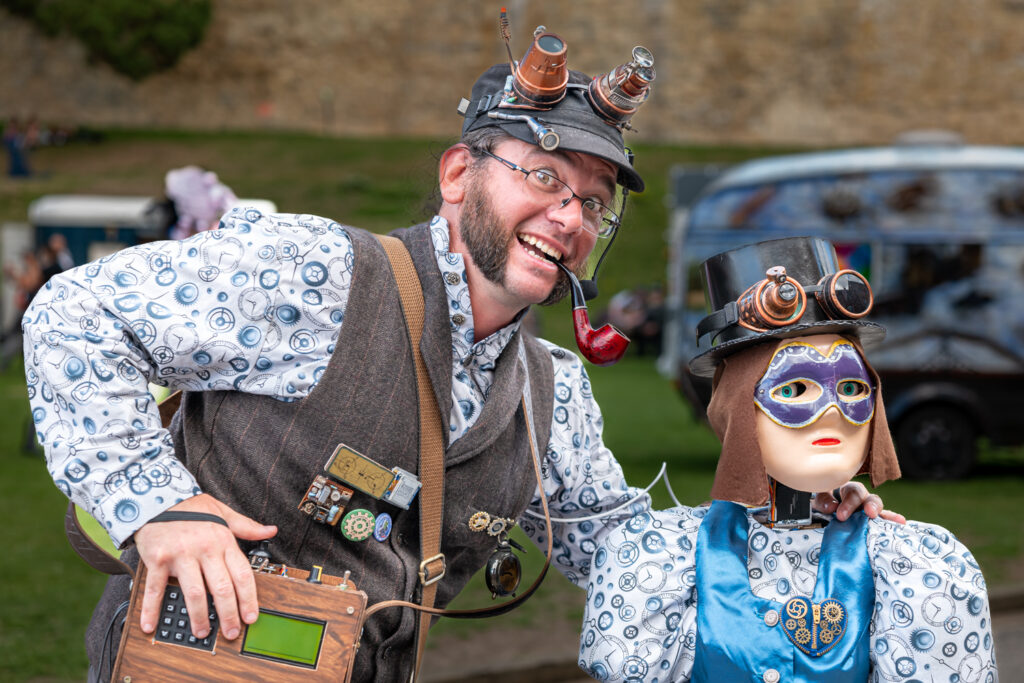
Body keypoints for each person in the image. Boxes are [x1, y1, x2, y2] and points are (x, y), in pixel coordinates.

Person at [22, 17, 891, 683]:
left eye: (594, 204)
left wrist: (800, 522)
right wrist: (156, 504)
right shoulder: (318, 273)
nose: (570, 216)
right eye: (545, 176)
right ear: (457, 177)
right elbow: (74, 313)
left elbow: (622, 549)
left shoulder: (553, 390)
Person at [579, 237, 996, 681]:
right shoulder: (656, 559)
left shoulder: (915, 565)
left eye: (852, 388)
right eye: (795, 390)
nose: (833, 413)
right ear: (734, 408)